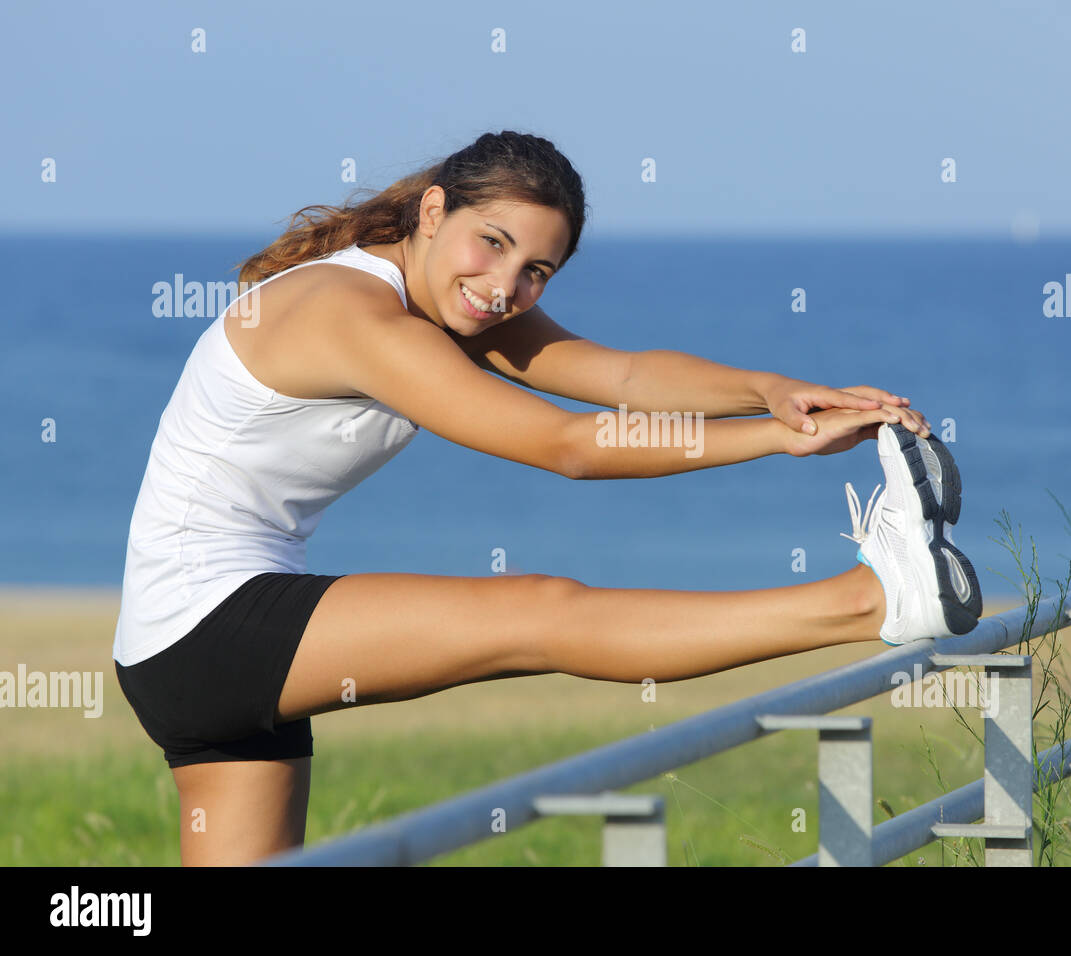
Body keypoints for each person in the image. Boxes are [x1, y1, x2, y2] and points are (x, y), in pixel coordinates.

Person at [111, 130, 982, 866]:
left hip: (187, 647)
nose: (504, 287)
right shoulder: (352, 314)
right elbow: (567, 446)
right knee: (536, 613)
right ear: (431, 212)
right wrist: (781, 441)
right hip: (207, 622)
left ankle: (884, 592)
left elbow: (624, 377)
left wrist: (777, 392)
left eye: (538, 271)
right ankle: (875, 598)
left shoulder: (451, 307)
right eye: (490, 243)